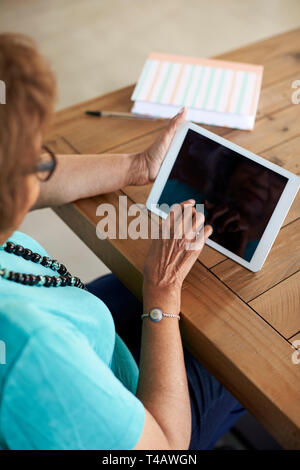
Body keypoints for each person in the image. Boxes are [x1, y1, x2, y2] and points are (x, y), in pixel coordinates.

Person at [0, 33, 244, 450]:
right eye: (34, 158)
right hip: (130, 408)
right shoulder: (33, 351)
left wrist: (137, 166)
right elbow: (164, 449)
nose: (43, 168)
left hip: (79, 326)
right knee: (240, 351)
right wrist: (162, 295)